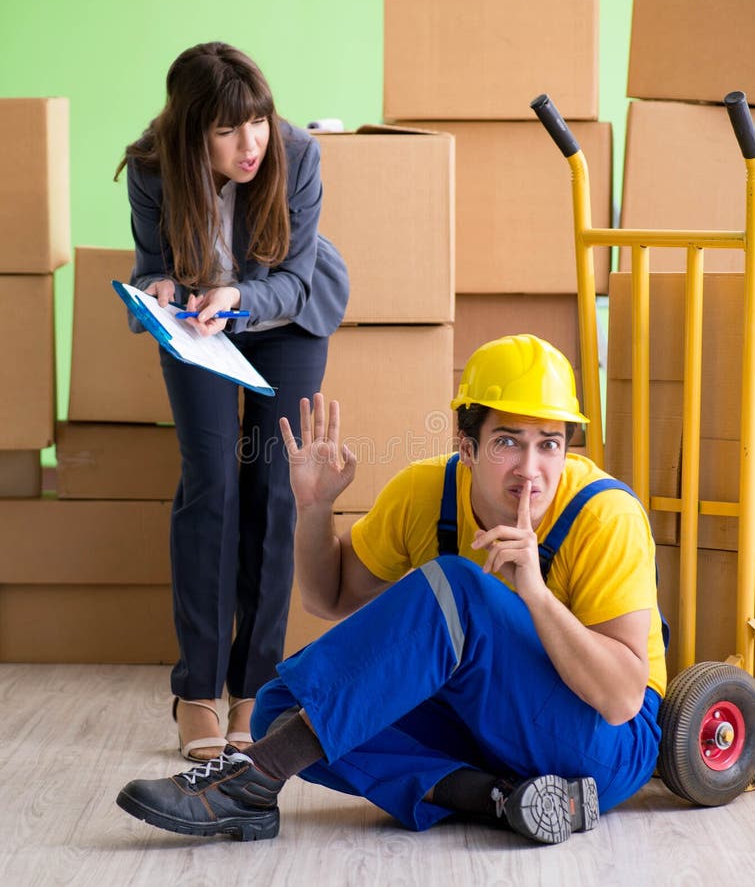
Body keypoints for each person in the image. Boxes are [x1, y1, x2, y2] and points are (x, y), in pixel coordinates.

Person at [116, 334, 667, 846]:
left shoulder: (603, 516)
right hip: (485, 725)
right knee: (282, 706)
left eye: (548, 444)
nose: (531, 470)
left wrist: (537, 596)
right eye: (507, 442)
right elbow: (329, 598)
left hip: (605, 745)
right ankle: (498, 798)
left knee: (458, 587)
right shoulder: (426, 494)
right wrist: (313, 510)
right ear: (467, 446)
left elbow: (621, 699)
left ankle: (253, 780)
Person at [113, 42, 349, 761]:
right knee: (212, 483)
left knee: (274, 487)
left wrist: (236, 297)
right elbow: (150, 267)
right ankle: (197, 691)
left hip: (286, 318)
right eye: (226, 131)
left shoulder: (296, 154)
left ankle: (255, 685)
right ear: (192, 134)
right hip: (196, 329)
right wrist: (159, 290)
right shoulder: (153, 166)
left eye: (257, 122)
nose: (251, 145)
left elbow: (296, 278)